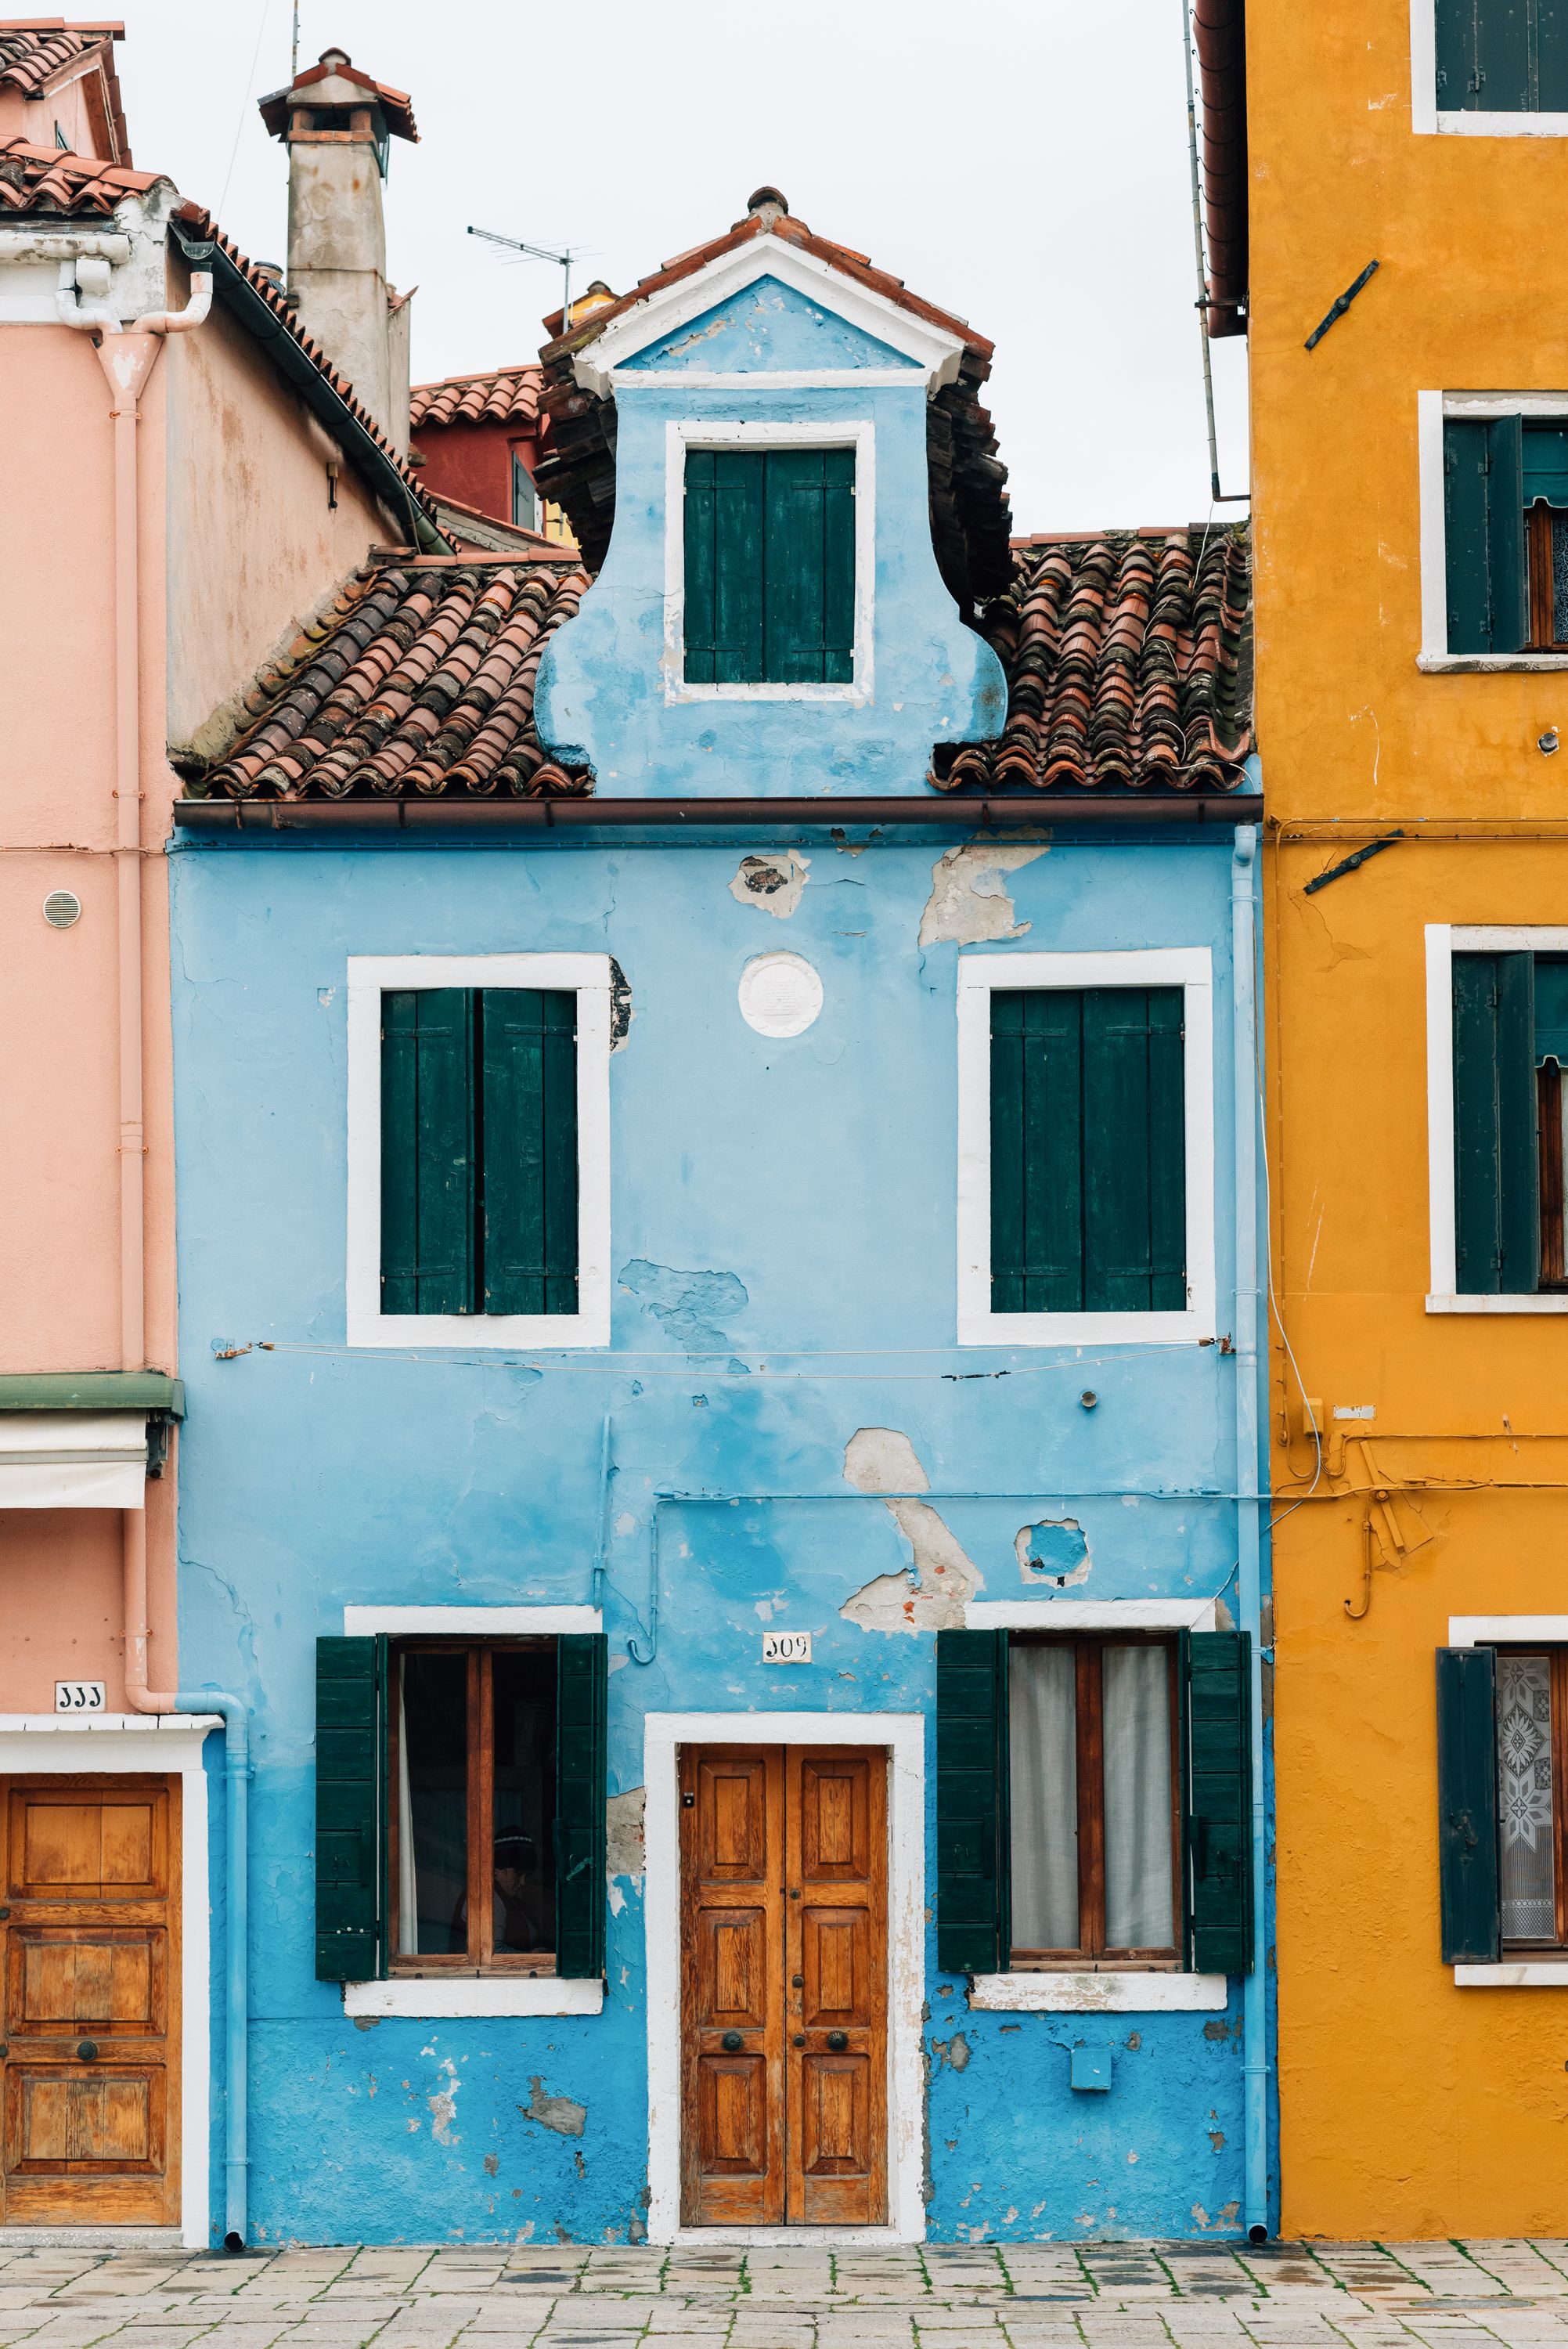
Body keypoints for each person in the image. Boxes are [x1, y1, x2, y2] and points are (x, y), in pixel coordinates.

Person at [451, 1831, 547, 1953]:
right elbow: (493, 1953)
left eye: (526, 1876)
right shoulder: (487, 1898)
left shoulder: (512, 1901)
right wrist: (530, 1958)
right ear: (498, 1871)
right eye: (518, 1874)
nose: (523, 1882)